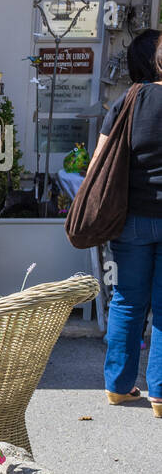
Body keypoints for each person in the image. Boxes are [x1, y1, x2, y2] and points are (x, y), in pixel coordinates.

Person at [97, 30, 162, 416]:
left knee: (126, 301)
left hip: (131, 220)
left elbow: (98, 166)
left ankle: (118, 387)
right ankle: (160, 393)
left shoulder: (126, 102)